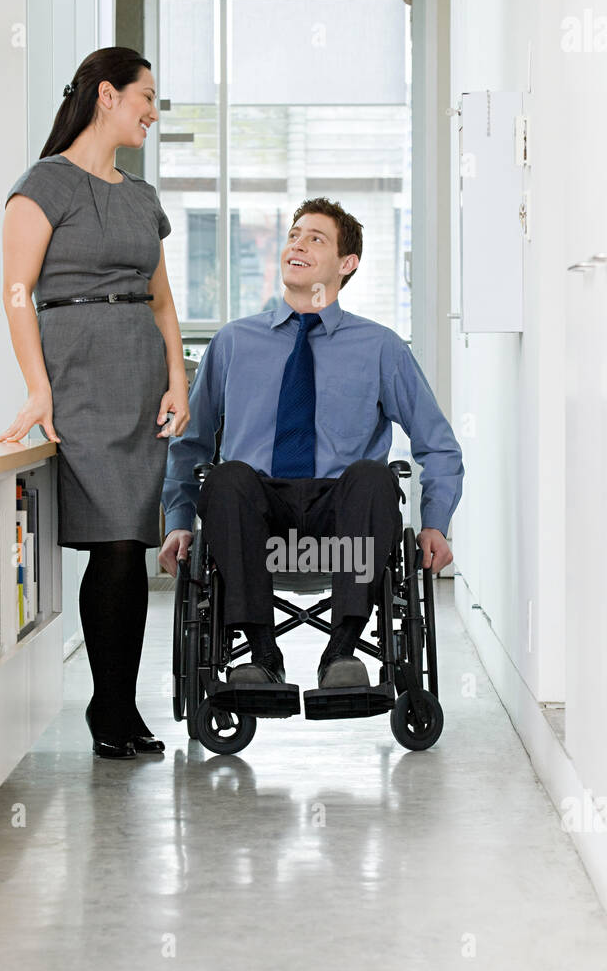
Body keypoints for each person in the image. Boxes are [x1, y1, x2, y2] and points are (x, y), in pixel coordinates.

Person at [158, 197, 463, 700]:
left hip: (341, 513)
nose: (297, 243)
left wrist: (435, 522)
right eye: (295, 234)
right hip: (254, 511)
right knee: (228, 474)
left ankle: (342, 651)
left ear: (347, 265)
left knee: (373, 475)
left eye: (315, 238)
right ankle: (261, 655)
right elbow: (190, 445)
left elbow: (438, 443)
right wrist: (177, 522)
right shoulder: (233, 343)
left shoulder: (381, 347)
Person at [0, 47, 190, 758]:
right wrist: (38, 386)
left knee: (130, 541)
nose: (153, 111)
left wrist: (178, 377)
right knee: (110, 541)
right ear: (107, 95)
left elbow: (163, 299)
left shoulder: (141, 195)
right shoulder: (43, 184)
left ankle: (119, 707)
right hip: (77, 372)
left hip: (139, 373)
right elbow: (18, 293)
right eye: (148, 96)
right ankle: (108, 714)